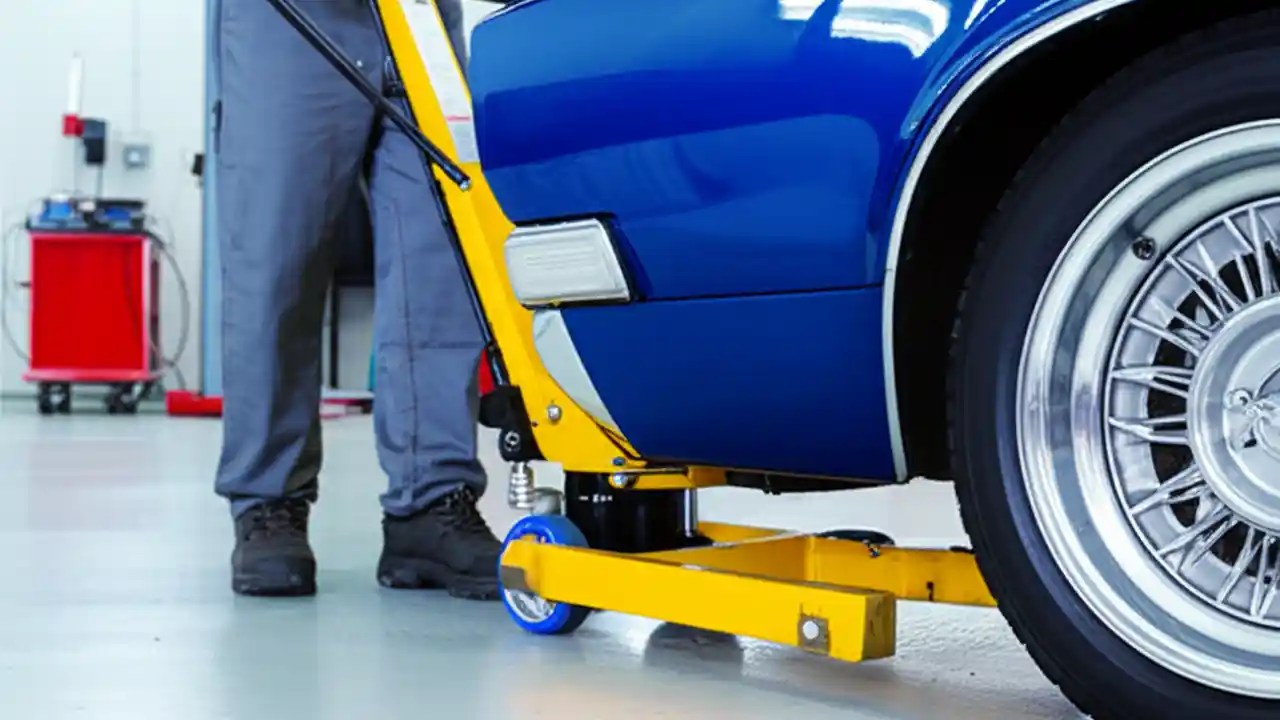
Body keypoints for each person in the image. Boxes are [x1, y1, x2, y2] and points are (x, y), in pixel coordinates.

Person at [214, 0, 501, 600]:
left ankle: (429, 503)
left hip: (420, 17)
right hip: (292, 19)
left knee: (439, 262)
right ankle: (269, 501)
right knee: (277, 261)